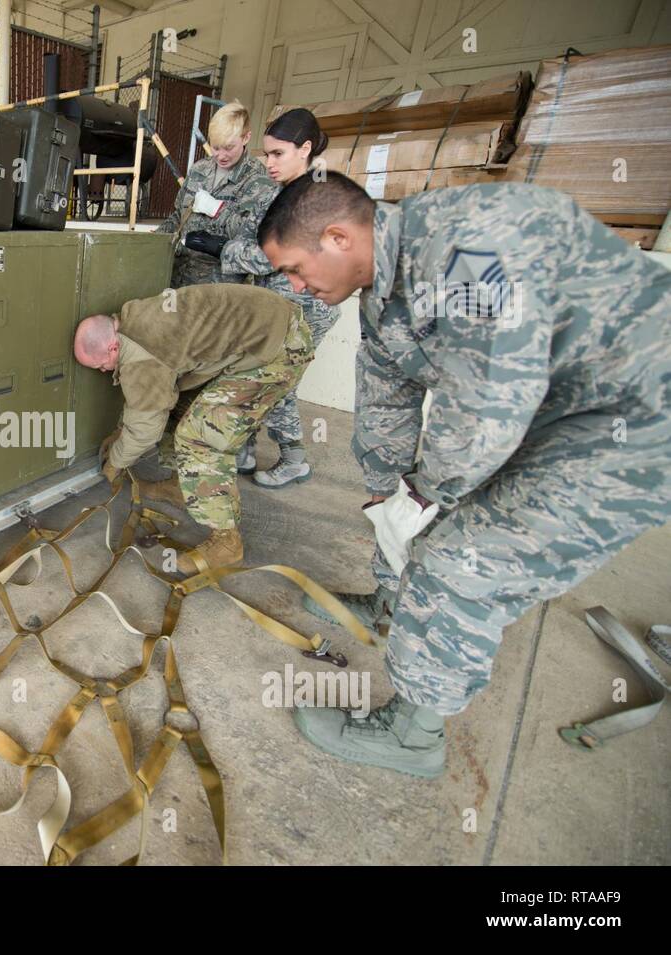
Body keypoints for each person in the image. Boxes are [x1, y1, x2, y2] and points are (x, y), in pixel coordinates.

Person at [257, 172, 671, 777]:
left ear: (339, 237)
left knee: (462, 561)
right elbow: (386, 394)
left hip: (630, 421)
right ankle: (395, 602)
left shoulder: (470, 247)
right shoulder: (381, 281)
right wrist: (387, 492)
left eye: (296, 268)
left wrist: (426, 494)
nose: (295, 286)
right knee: (403, 503)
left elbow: (488, 407)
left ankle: (413, 736)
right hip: (543, 414)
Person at [73, 283, 314, 573]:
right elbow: (154, 399)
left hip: (278, 348)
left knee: (201, 435)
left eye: (102, 365)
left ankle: (226, 544)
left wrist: (115, 463)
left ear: (113, 346)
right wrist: (123, 430)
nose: (104, 371)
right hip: (269, 326)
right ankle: (182, 486)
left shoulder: (139, 353)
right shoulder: (132, 320)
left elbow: (145, 428)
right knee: (180, 409)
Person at [187, 107, 342, 488]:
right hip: (276, 301)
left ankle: (294, 460)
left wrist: (224, 248)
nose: (269, 163)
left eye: (278, 154)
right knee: (256, 372)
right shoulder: (277, 191)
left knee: (277, 383)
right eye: (267, 154)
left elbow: (266, 255)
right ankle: (247, 448)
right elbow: (250, 234)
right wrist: (237, 245)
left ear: (305, 149)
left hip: (308, 307)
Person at [155, 100, 277, 288]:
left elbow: (253, 238)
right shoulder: (199, 169)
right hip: (176, 275)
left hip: (217, 287)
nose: (221, 155)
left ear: (246, 138)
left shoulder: (259, 181)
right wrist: (155, 239)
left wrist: (218, 210)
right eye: (216, 147)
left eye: (229, 147)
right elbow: (178, 215)